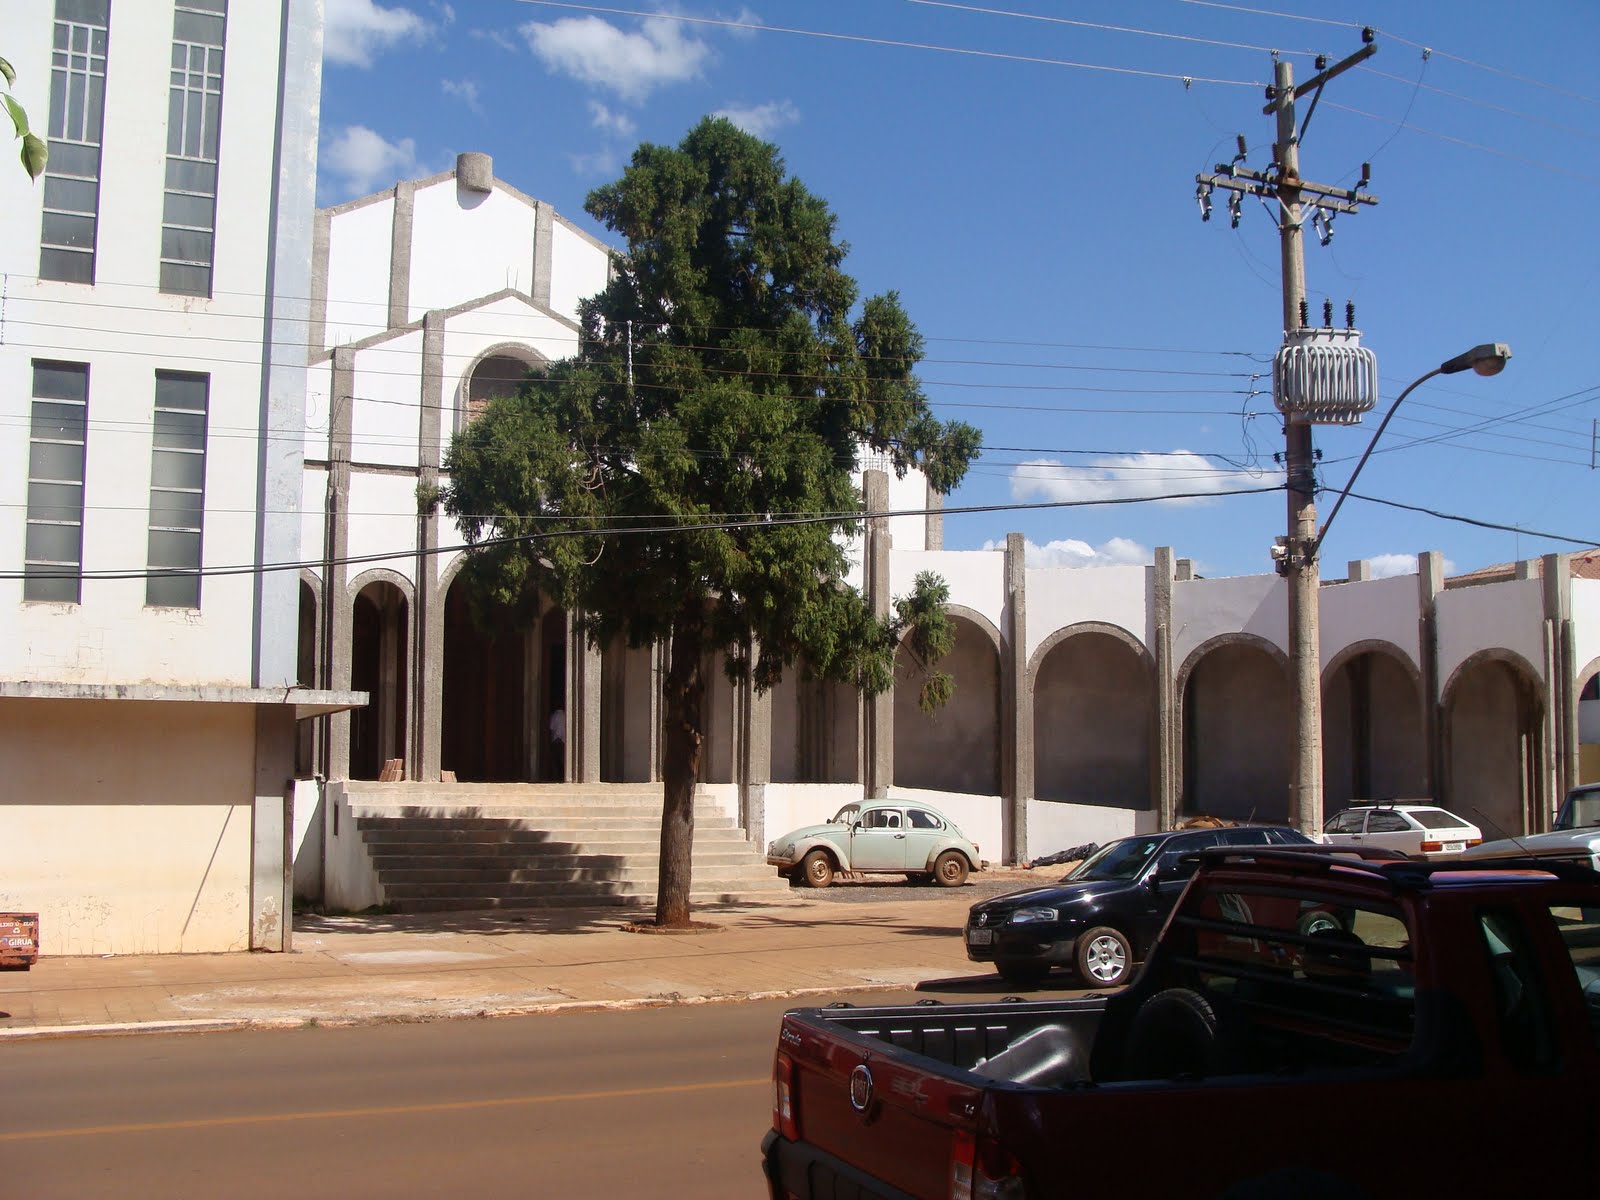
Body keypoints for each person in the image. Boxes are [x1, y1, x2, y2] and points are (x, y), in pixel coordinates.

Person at [547, 707, 566, 780]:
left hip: (555, 740)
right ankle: (563, 776)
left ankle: (555, 777)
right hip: (564, 741)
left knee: (555, 760)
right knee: (563, 760)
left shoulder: (554, 716)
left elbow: (551, 728)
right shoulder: (565, 715)